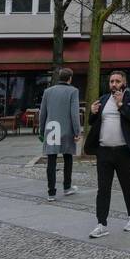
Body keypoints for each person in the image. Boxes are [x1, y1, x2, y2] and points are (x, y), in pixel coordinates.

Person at [84, 72, 130, 237]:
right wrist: (92, 112)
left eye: (117, 81)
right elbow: (92, 122)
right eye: (111, 81)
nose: (114, 84)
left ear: (124, 82)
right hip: (104, 151)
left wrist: (120, 104)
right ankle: (101, 224)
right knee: (103, 188)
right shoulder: (103, 99)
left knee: (127, 185)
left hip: (124, 151)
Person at [39, 67, 81, 201]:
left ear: (59, 78)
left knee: (51, 161)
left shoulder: (48, 91)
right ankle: (67, 187)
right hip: (67, 130)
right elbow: (74, 114)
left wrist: (41, 131)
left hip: (51, 129)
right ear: (70, 78)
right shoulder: (73, 91)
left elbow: (42, 113)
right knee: (68, 158)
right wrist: (77, 131)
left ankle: (51, 192)